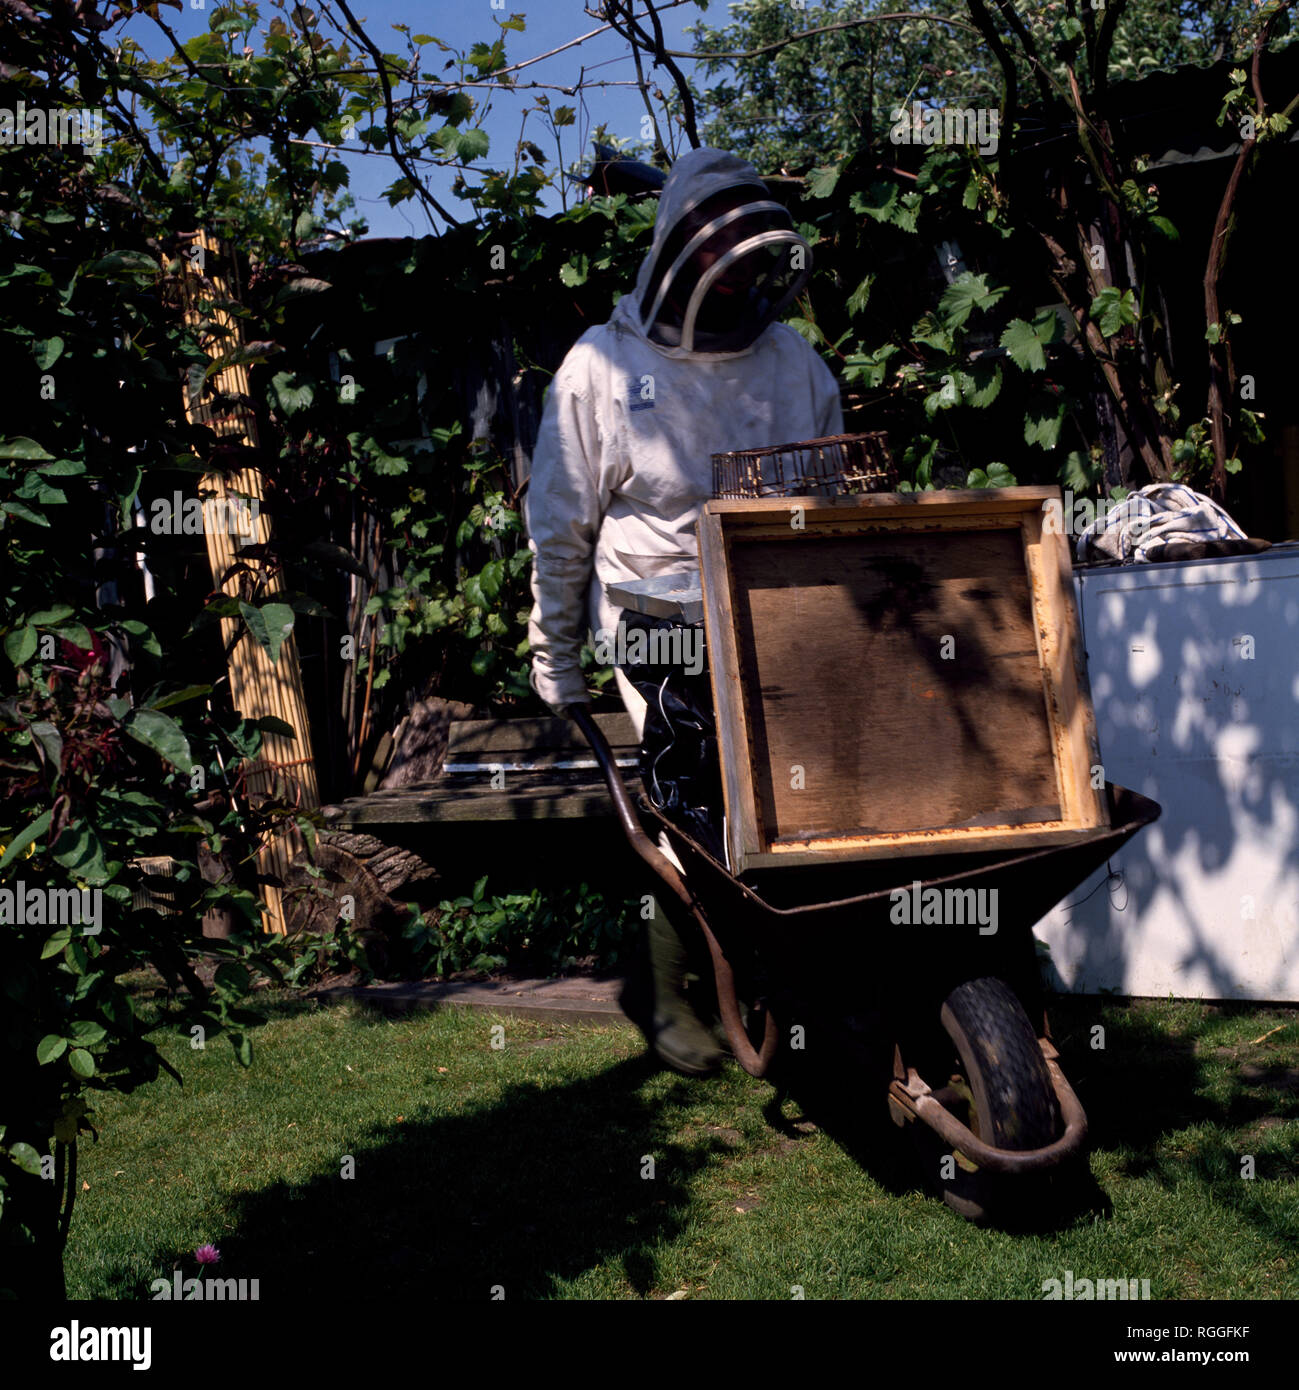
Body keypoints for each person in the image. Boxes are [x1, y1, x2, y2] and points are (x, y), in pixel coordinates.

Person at [524, 147, 844, 1074]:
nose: (734, 281)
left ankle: (792, 976)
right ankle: (671, 989)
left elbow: (827, 507)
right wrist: (557, 659)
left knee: (801, 788)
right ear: (678, 256)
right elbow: (560, 525)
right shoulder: (600, 369)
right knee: (685, 798)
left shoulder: (793, 364)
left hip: (781, 614)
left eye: (748, 266)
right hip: (657, 616)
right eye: (718, 263)